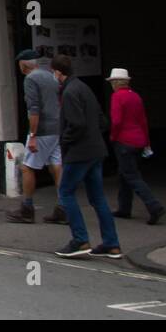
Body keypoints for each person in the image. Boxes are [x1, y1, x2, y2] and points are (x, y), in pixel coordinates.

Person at [50, 54, 120, 259]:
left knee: (66, 192)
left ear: (58, 72)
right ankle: (111, 244)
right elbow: (102, 121)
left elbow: (77, 124)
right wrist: (94, 137)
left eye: (53, 71)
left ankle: (80, 240)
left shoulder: (70, 92)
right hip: (96, 150)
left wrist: (65, 142)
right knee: (98, 198)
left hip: (79, 152)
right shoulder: (85, 88)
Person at [6, 50, 66, 224]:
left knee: (27, 168)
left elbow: (34, 109)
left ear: (24, 64)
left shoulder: (31, 79)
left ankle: (27, 208)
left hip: (42, 130)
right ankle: (64, 207)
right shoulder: (50, 75)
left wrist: (32, 135)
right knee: (57, 166)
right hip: (57, 127)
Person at [108, 67, 165, 225]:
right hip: (139, 140)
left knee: (131, 176)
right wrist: (146, 141)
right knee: (125, 173)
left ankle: (154, 206)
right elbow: (143, 121)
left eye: (112, 82)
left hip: (124, 141)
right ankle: (124, 207)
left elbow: (117, 121)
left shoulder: (117, 97)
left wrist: (113, 136)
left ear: (115, 83)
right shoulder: (136, 96)